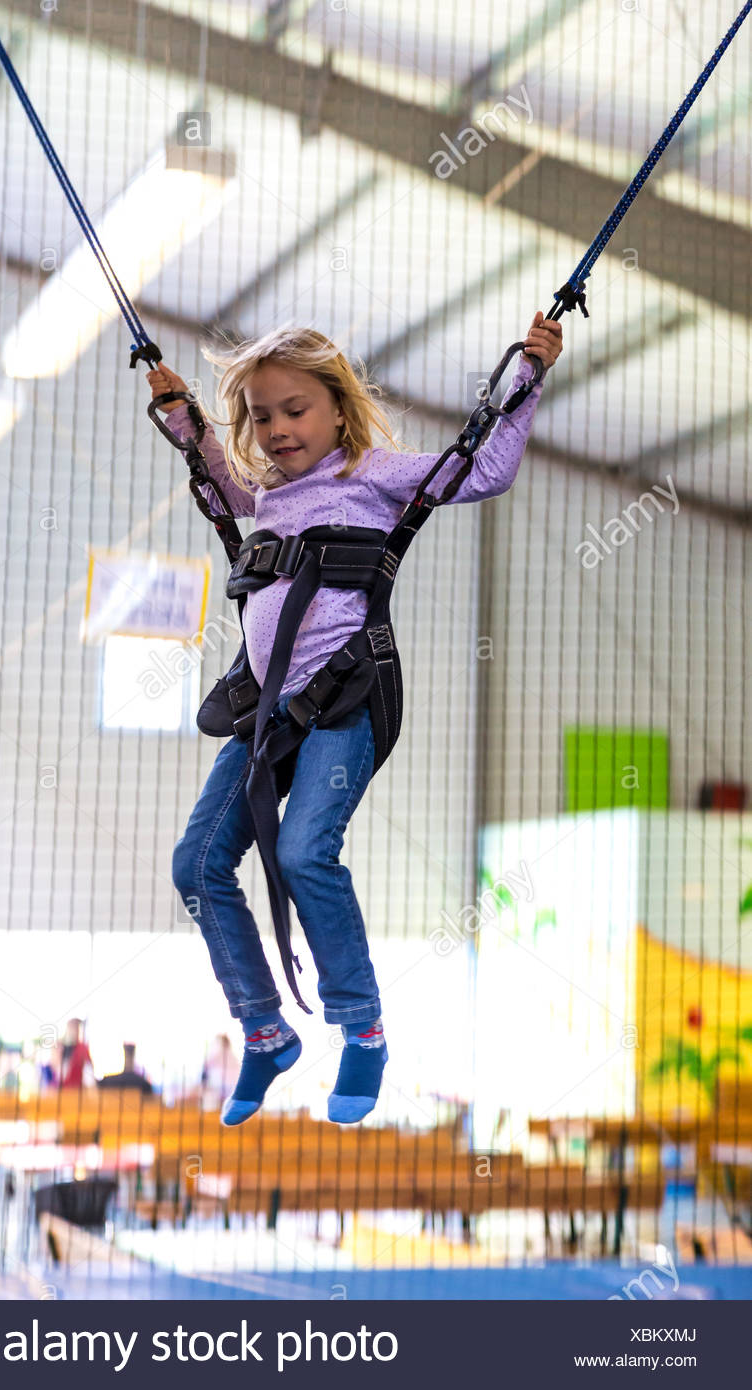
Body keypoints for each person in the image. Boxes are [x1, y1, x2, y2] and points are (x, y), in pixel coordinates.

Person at [149, 315, 562, 1127]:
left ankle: (362, 1028)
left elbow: (479, 472)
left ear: (338, 410)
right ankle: (266, 1031)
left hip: (346, 701)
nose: (275, 430)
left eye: (294, 411)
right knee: (196, 864)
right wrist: (181, 416)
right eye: (261, 417)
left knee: (305, 851)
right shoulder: (264, 493)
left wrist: (527, 379)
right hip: (268, 717)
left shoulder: (374, 473)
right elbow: (213, 475)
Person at [57, 1018, 93, 1089]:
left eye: (77, 1028)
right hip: (59, 1091)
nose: (75, 1031)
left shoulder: (83, 1048)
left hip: (76, 1091)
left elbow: (89, 1075)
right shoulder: (60, 1048)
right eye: (72, 1028)